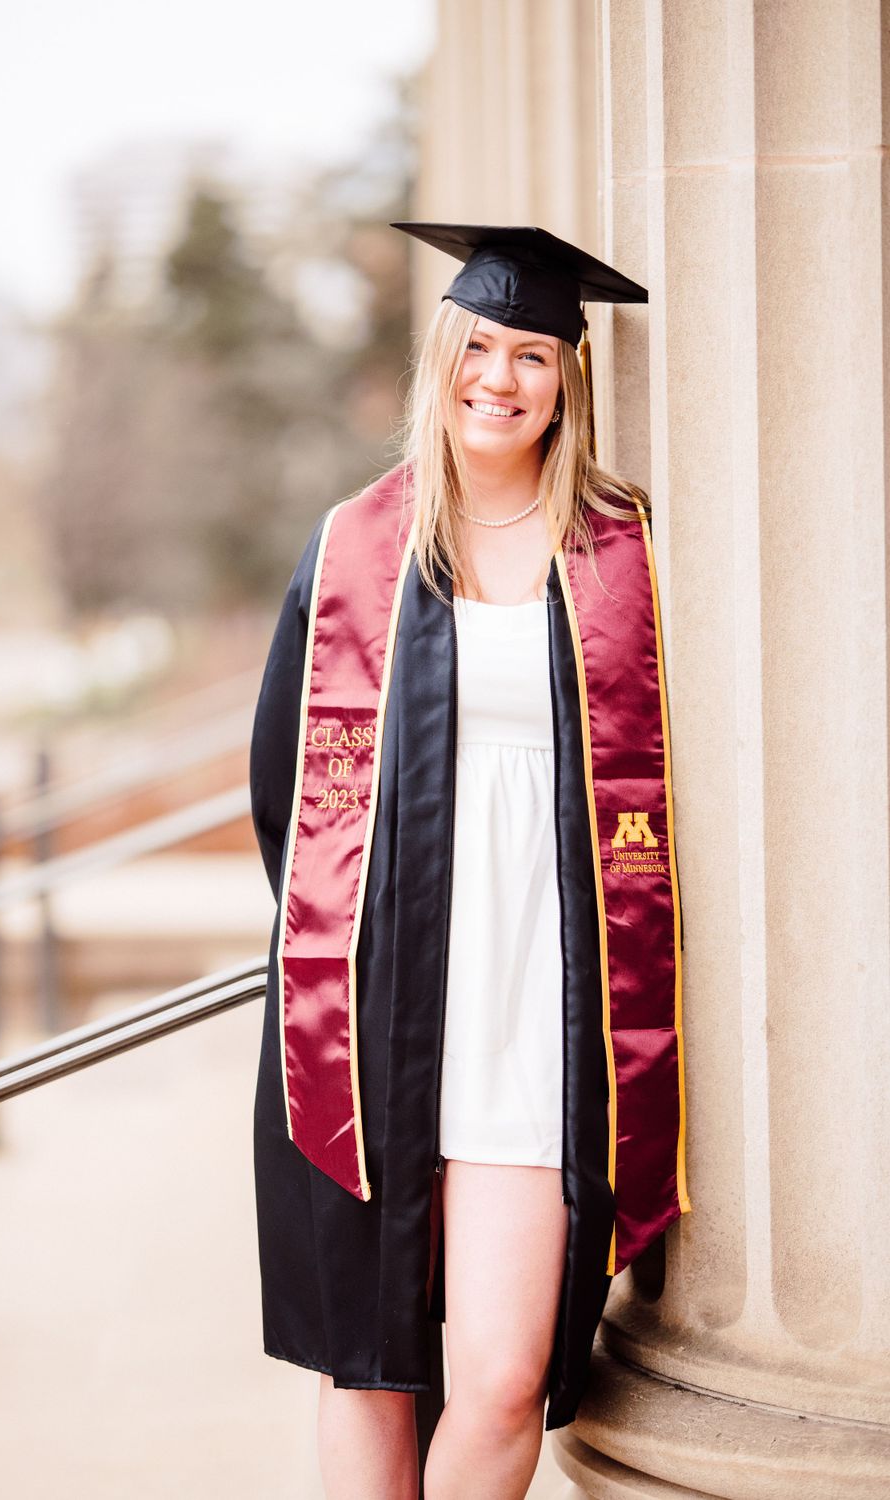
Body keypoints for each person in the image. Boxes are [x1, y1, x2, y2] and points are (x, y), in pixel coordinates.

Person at [249, 222, 691, 1500]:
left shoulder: (622, 550)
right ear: (441, 360)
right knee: (372, 1371)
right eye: (480, 348)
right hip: (385, 1008)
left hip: (546, 1013)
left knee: (501, 1378)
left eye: (534, 355)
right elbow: (287, 792)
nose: (500, 379)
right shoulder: (356, 550)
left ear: (571, 379)